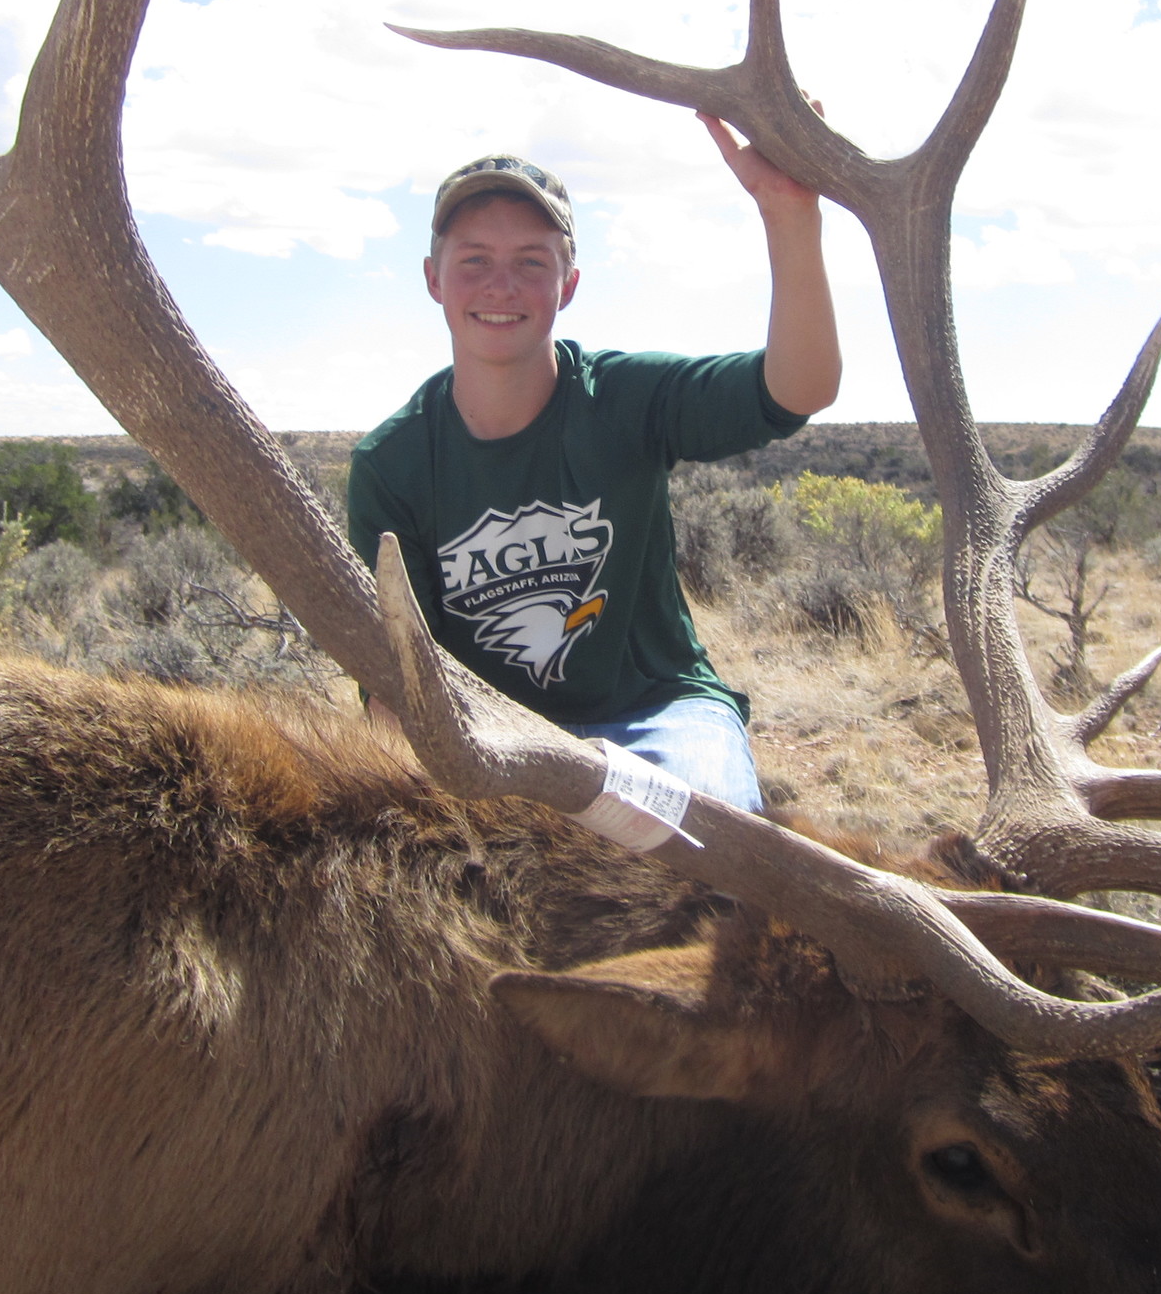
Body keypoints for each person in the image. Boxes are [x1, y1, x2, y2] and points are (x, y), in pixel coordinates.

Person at [346, 113, 840, 810]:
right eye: (474, 260)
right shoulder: (391, 465)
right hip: (489, 737)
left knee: (713, 863)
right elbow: (397, 688)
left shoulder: (624, 399)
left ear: (569, 283)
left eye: (530, 262)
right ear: (434, 278)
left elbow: (797, 388)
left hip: (658, 714)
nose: (501, 285)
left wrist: (791, 216)